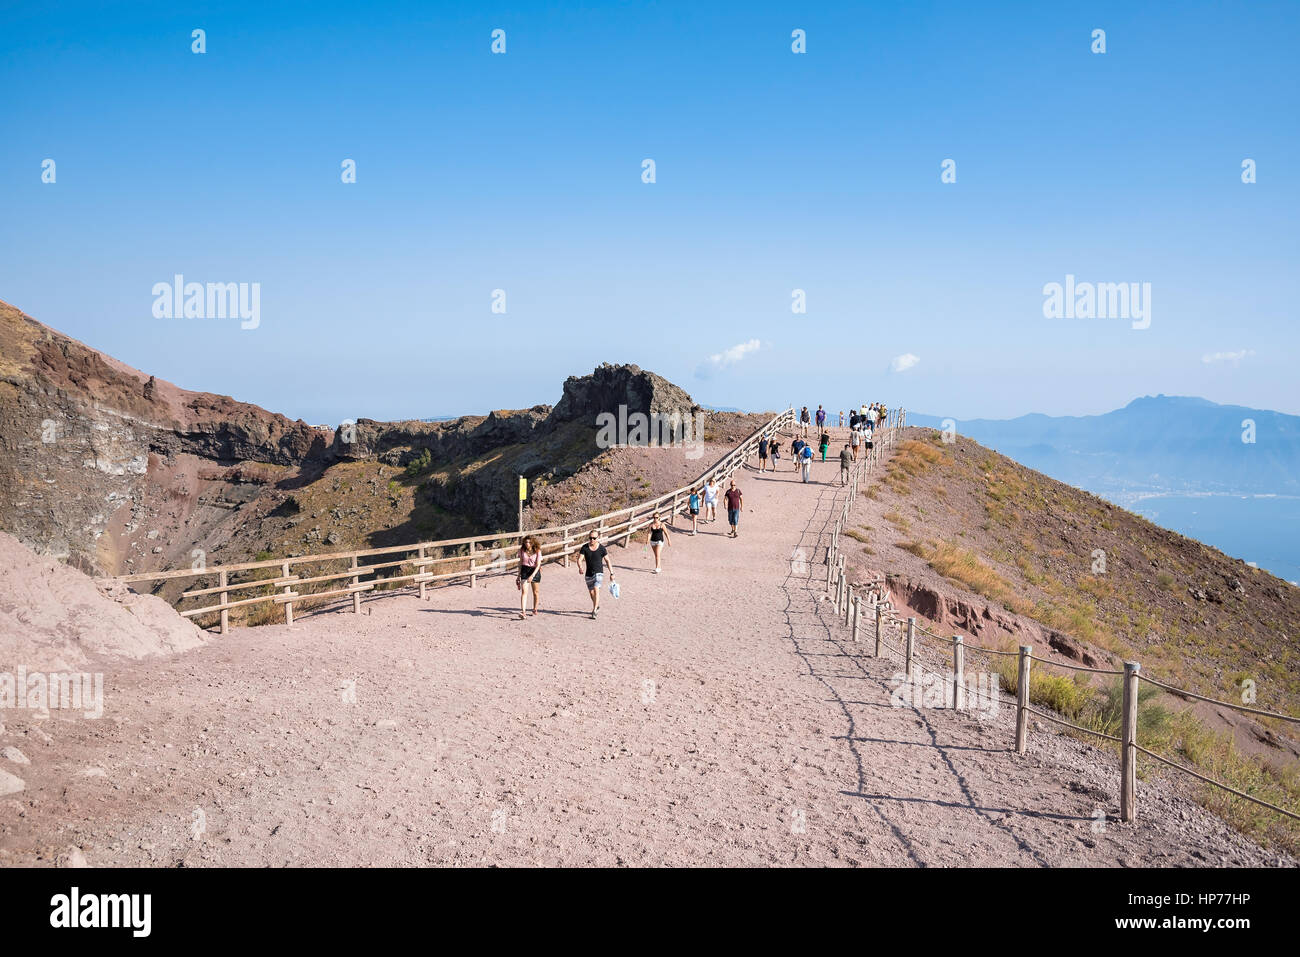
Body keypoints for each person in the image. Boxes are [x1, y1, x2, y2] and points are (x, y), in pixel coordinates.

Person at [578, 530, 613, 619]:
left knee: (596, 589)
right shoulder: (584, 547)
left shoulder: (602, 548)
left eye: (594, 538)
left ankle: (594, 611)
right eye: (590, 538)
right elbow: (579, 559)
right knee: (591, 593)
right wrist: (580, 567)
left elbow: (607, 560)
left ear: (598, 538)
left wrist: (611, 573)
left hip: (599, 572)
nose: (592, 540)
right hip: (588, 573)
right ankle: (596, 606)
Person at [517, 535, 542, 619]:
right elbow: (520, 563)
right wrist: (518, 576)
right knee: (524, 592)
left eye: (529, 542)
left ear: (532, 543)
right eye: (526, 542)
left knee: (536, 592)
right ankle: (523, 612)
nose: (527, 544)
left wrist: (532, 576)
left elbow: (538, 565)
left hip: (534, 571)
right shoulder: (521, 550)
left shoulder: (537, 551)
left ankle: (535, 608)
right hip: (525, 570)